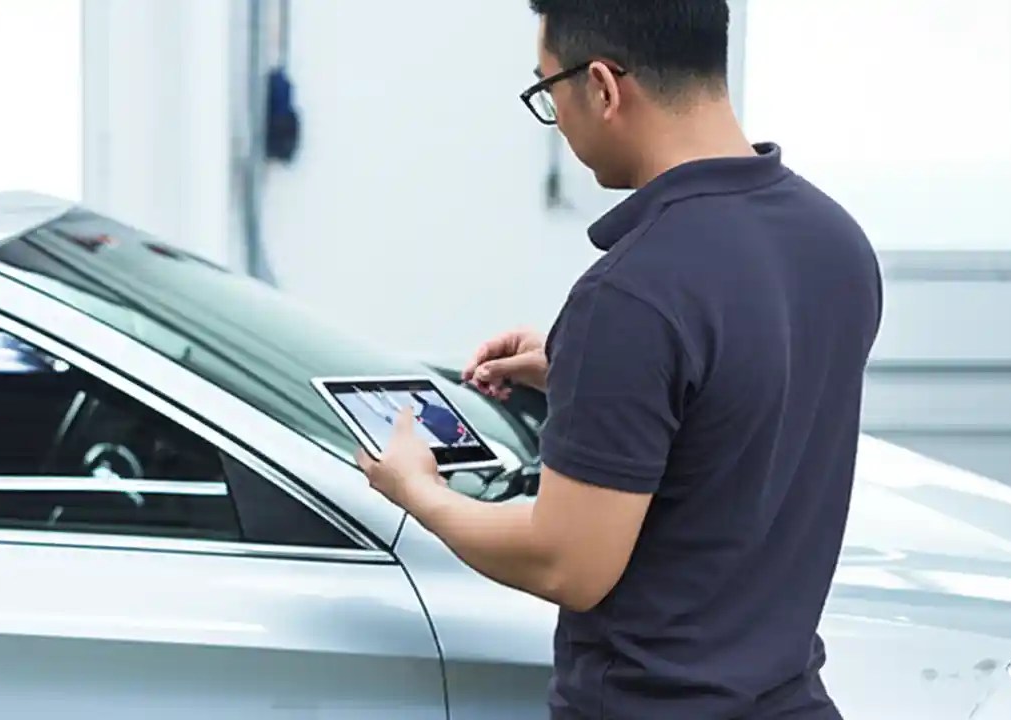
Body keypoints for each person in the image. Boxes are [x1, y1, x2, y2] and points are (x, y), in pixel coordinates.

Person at [355, 1, 883, 718]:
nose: (557, 117)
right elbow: (746, 404)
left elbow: (568, 562)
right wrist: (587, 371)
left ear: (602, 86)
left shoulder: (634, 293)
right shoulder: (834, 240)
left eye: (548, 90)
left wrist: (419, 491)